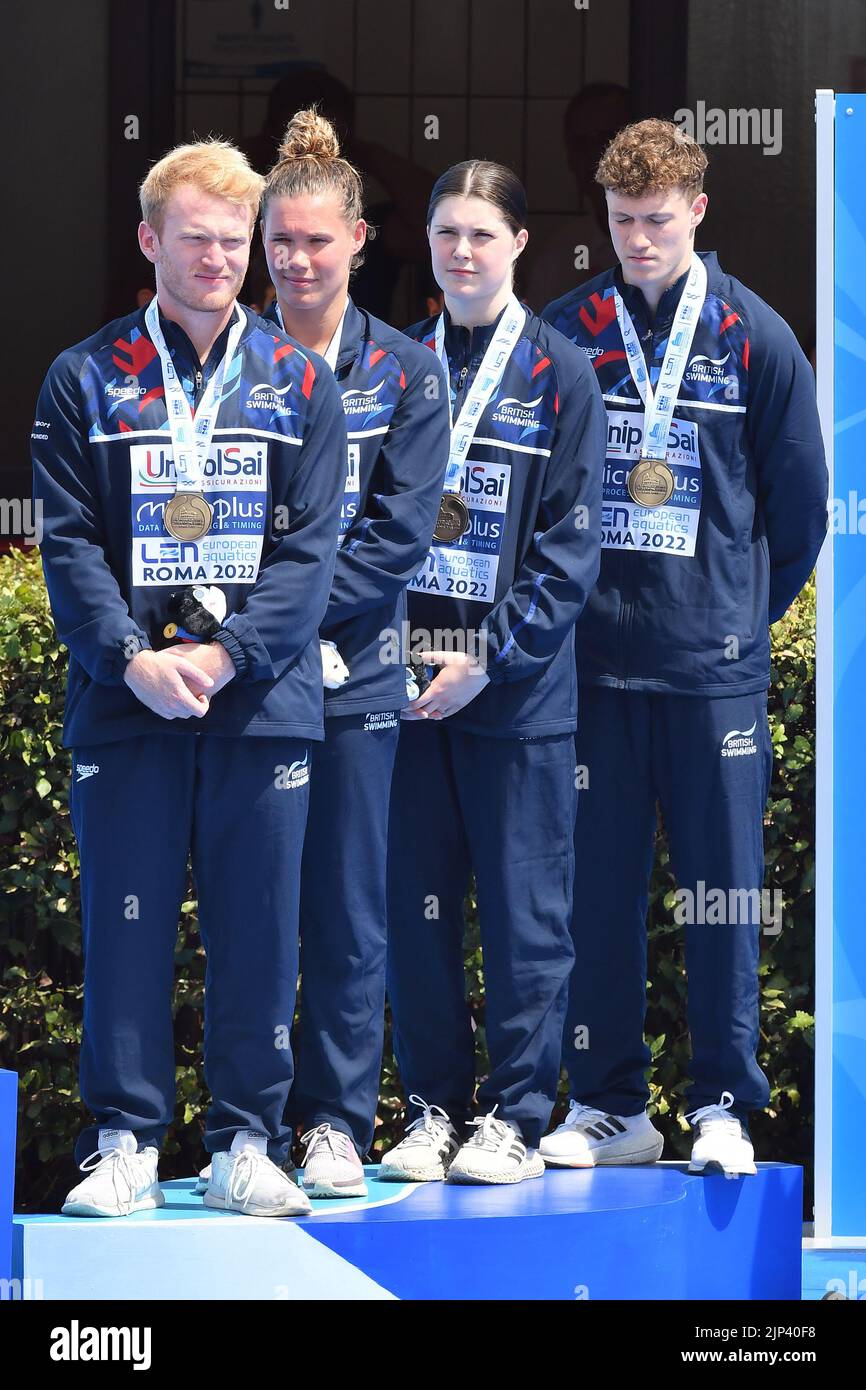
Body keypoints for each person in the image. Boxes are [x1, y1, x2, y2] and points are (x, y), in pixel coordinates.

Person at [31, 138, 347, 1219]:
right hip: (128, 704)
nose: (216, 259)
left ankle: (244, 1141)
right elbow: (67, 544)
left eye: (231, 240)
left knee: (260, 927)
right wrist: (131, 658)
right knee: (127, 922)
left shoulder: (302, 381)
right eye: (194, 239)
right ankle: (123, 1138)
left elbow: (312, 558)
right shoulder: (83, 377)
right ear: (148, 240)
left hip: (257, 702)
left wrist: (223, 654)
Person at [539, 119, 828, 1176]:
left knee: (721, 895)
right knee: (594, 899)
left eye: (656, 221)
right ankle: (609, 1104)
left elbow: (797, 511)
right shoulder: (565, 331)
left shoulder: (756, 336)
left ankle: (719, 1104)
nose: (639, 242)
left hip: (710, 677)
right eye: (621, 223)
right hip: (589, 673)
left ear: (697, 211)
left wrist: (735, 618)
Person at [379, 160, 606, 1186]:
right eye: (443, 233)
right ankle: (430, 1108)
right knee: (413, 913)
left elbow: (568, 550)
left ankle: (513, 1114)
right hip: (402, 695)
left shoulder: (563, 373)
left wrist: (488, 658)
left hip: (513, 698)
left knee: (523, 920)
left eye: (480, 233)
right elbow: (361, 527)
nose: (460, 252)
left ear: (519, 244)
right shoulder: (390, 365)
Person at [257, 108, 449, 1198]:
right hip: (243, 678)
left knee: (343, 904)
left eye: (315, 240)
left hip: (350, 676)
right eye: (278, 240)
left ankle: (331, 1121)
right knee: (249, 909)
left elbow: (396, 535)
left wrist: (288, 621)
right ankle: (243, 1124)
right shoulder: (226, 361)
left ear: (360, 239)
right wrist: (244, 638)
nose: (295, 259)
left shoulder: (408, 373)